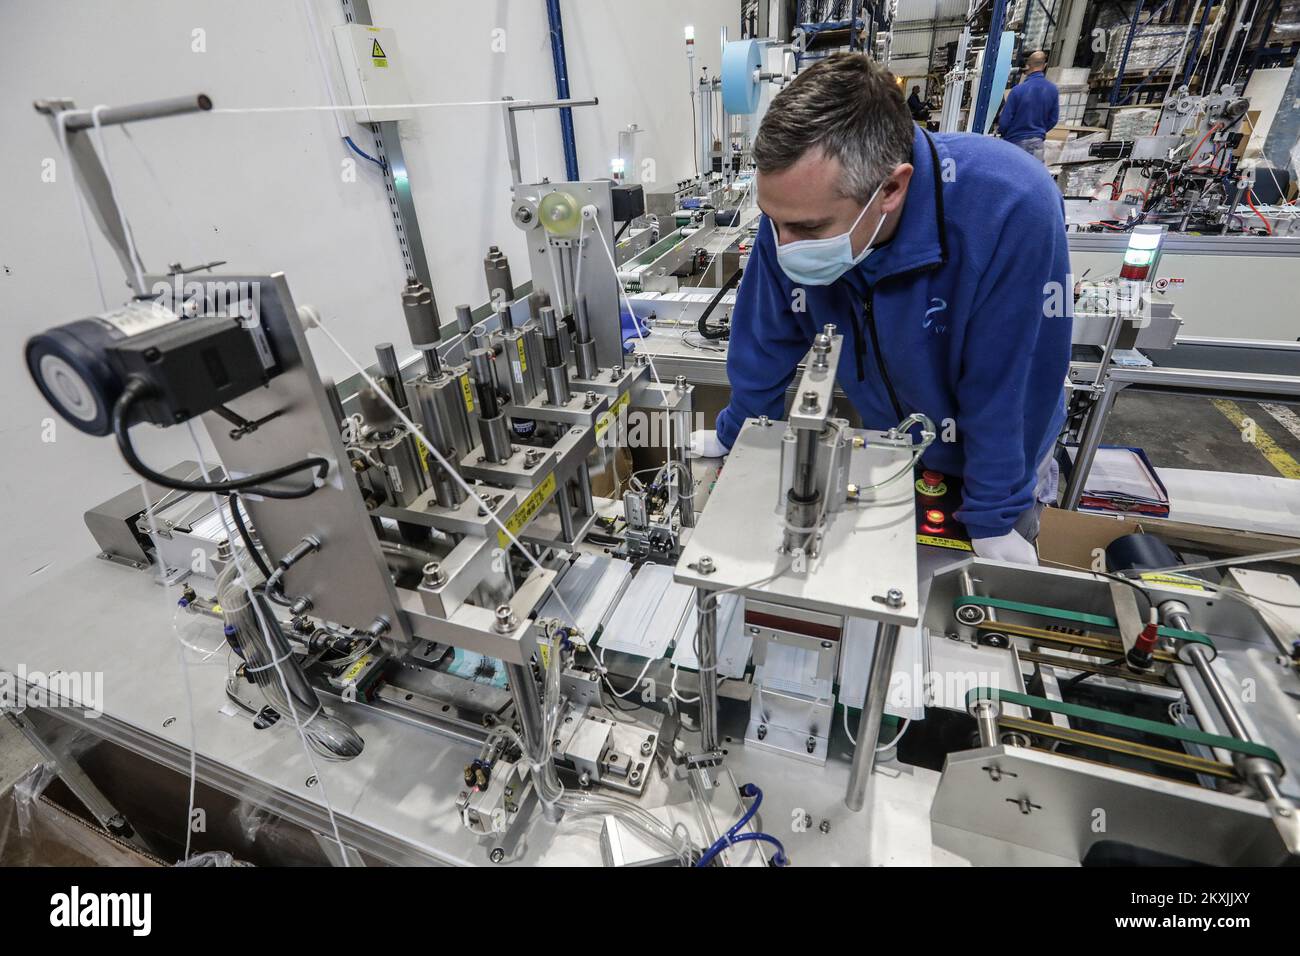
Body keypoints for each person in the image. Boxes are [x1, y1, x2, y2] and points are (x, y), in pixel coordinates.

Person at [690, 53, 1070, 565]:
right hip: (892, 441)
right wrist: (735, 432)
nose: (782, 244)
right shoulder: (796, 210)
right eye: (772, 219)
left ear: (890, 188)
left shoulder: (1011, 206)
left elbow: (1011, 380)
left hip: (1003, 457)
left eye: (806, 229)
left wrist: (994, 513)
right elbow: (765, 338)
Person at [997, 50, 1059, 161]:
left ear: (1027, 66)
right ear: (1044, 66)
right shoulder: (1052, 90)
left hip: (1015, 142)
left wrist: (1005, 133)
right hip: (1037, 143)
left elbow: (1004, 121)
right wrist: (1038, 131)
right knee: (1032, 176)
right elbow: (1053, 119)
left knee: (1012, 175)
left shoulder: (1018, 90)